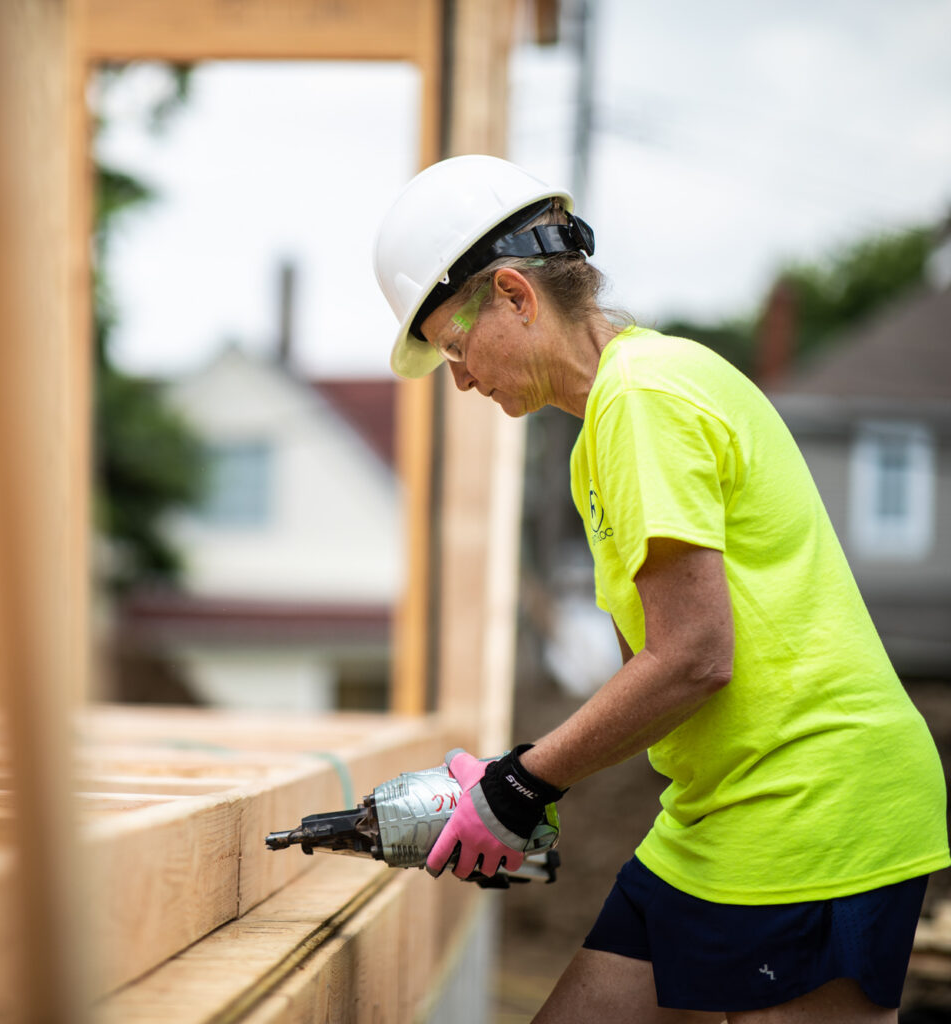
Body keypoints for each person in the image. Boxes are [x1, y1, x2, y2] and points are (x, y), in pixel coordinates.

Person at [372, 154, 948, 1021]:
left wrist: (523, 786)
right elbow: (657, 684)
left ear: (516, 297)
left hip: (813, 808)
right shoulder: (608, 430)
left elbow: (693, 657)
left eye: (457, 347)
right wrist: (521, 782)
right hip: (721, 812)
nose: (460, 378)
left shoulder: (644, 398)